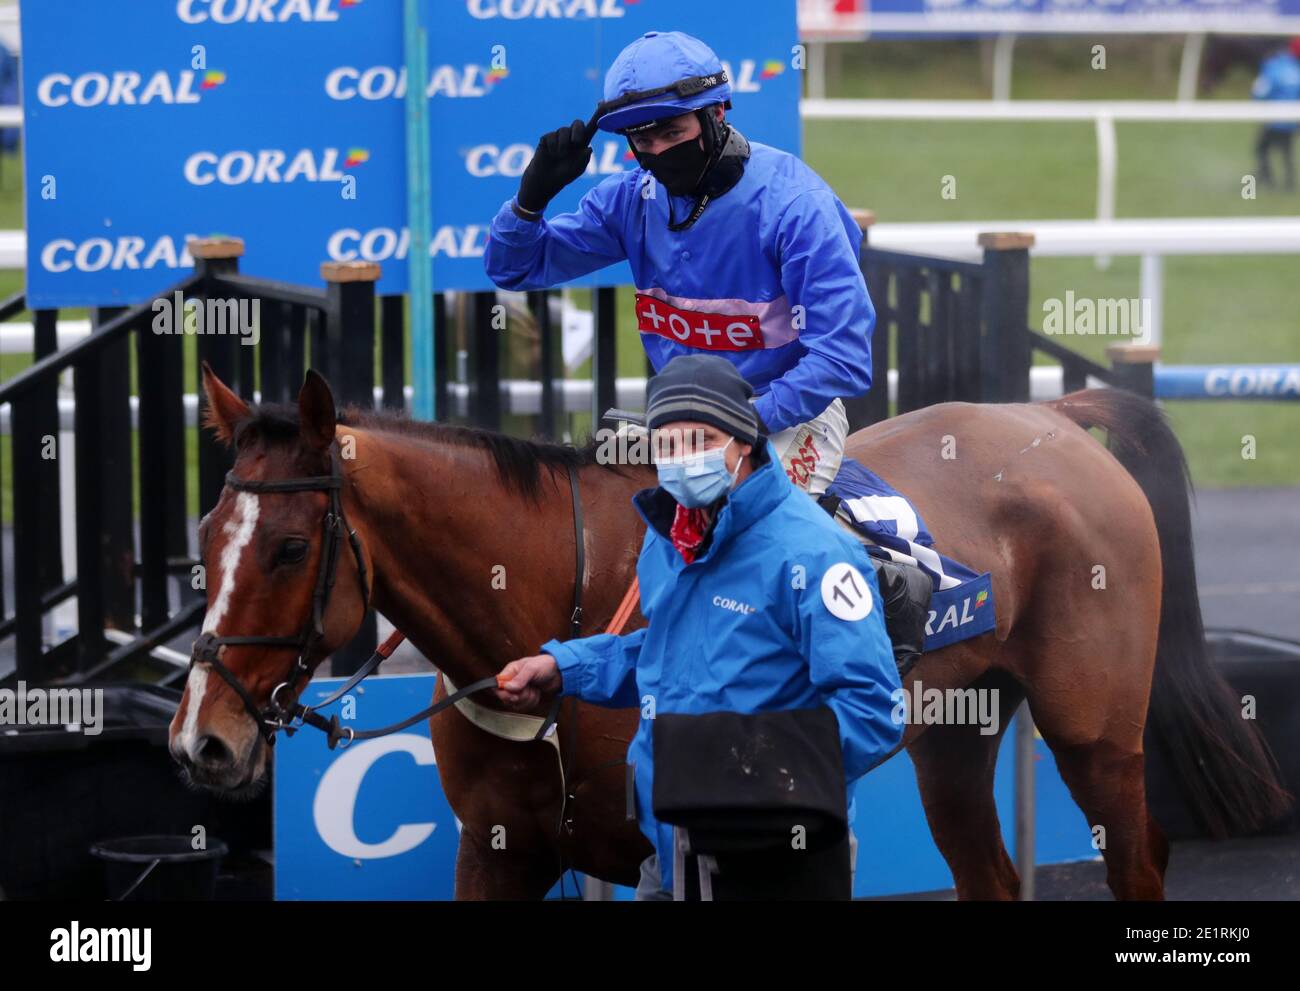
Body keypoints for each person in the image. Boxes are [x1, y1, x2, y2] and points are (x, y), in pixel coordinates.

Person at [484, 29, 930, 670]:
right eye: (643, 140)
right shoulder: (629, 201)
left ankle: (879, 583)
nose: (658, 150)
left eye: (671, 131)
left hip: (786, 417)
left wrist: (746, 421)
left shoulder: (795, 205)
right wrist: (532, 198)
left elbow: (844, 356)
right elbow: (514, 269)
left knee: (755, 542)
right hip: (682, 423)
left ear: (717, 113)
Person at [494, 355, 903, 900]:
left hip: (775, 857)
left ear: (745, 442)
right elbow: (668, 654)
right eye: (668, 444)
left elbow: (872, 711)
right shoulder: (670, 538)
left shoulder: (818, 555)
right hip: (670, 852)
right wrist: (563, 667)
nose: (683, 459)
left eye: (701, 439)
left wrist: (746, 777)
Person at [1252, 38, 1300, 192]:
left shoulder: (1275, 66)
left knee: (1261, 148)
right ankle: (1288, 183)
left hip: (1275, 120)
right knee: (1286, 151)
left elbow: (1261, 91)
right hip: (1292, 121)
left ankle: (1267, 179)